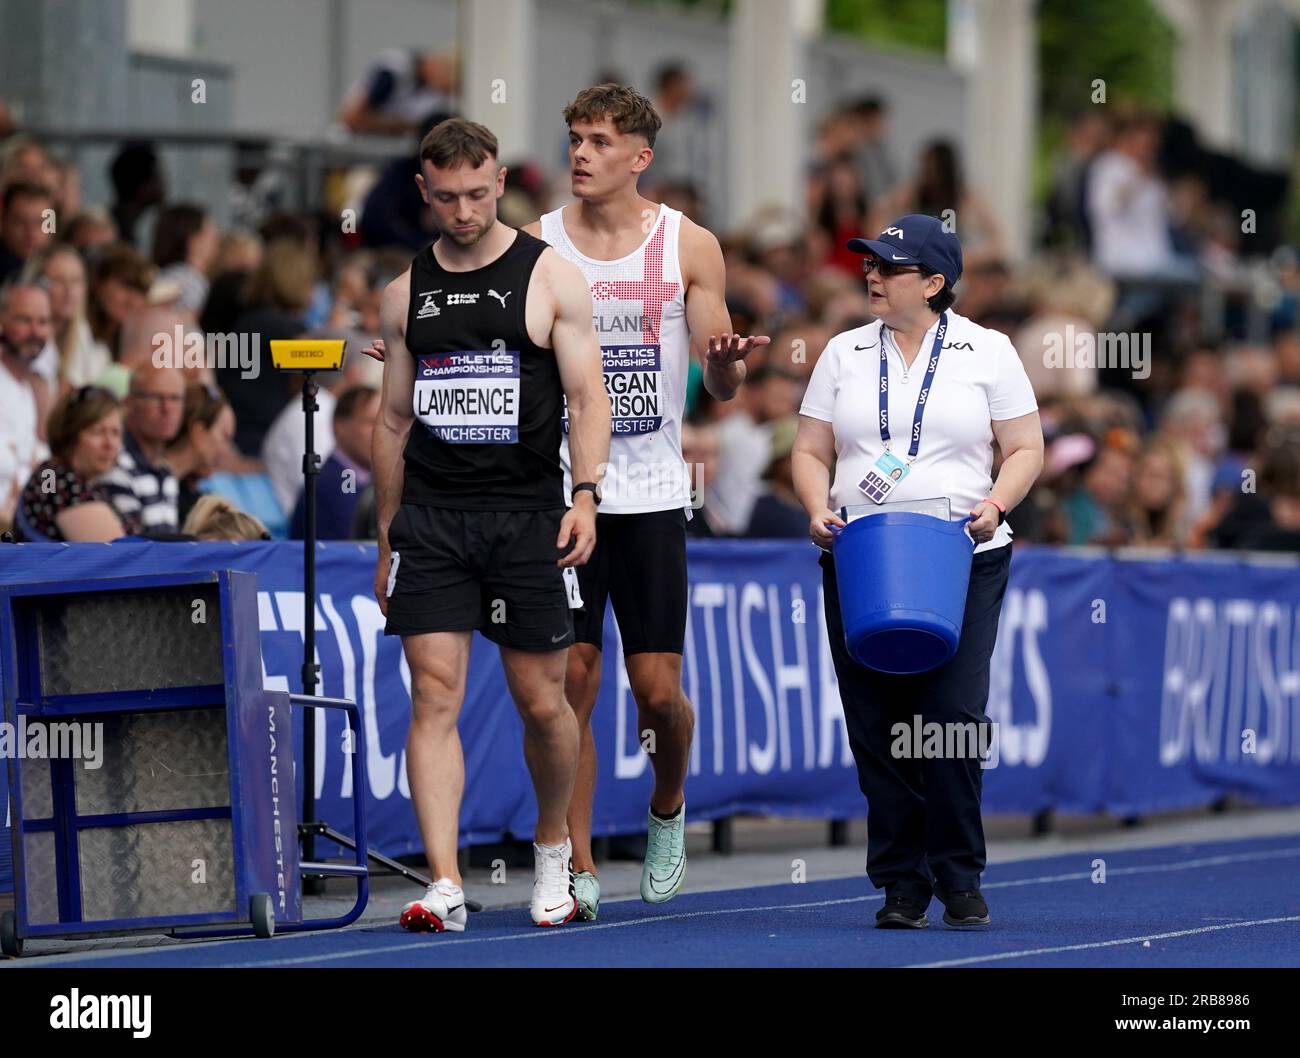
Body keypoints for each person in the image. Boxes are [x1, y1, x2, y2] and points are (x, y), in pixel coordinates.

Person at [363, 87, 766, 921]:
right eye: (574, 138)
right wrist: (425, 350)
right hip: (548, 499)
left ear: (640, 157)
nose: (581, 154)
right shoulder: (538, 246)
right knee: (570, 682)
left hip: (651, 490)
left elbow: (722, 387)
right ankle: (574, 864)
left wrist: (725, 363)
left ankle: (666, 803)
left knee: (656, 692)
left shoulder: (688, 245)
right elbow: (458, 357)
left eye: (599, 141)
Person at [372, 118, 609, 932]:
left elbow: (587, 399)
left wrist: (585, 496)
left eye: (478, 193)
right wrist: (386, 535)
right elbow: (394, 421)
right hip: (434, 521)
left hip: (526, 518)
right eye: (447, 197)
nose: (464, 210)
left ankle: (552, 854)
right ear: (424, 191)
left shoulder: (551, 278)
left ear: (500, 181)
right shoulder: (405, 290)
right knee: (433, 694)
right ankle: (445, 880)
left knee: (541, 699)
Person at [792, 214, 1043, 929]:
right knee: (876, 721)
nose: (872, 275)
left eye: (890, 268)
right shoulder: (842, 352)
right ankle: (901, 881)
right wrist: (816, 507)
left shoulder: (986, 351)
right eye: (870, 264)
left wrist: (996, 504)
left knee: (952, 716)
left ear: (934, 283)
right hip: (862, 555)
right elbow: (810, 451)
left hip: (961, 552)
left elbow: (1025, 446)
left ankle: (959, 872)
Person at [13, 385, 133, 543]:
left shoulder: (81, 481)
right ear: (70, 434)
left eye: (115, 433)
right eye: (97, 432)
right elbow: (120, 558)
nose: (109, 444)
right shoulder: (58, 480)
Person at [99, 364, 184, 534]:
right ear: (128, 404)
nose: (167, 408)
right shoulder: (115, 464)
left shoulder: (166, 471)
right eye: (155, 397)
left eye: (175, 398)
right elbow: (134, 552)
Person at [290, 384, 379, 539]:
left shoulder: (366, 479)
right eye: (371, 422)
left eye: (384, 423)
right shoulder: (331, 483)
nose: (380, 432)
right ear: (339, 426)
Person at [0, 282, 53, 526]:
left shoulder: (27, 390)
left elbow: (47, 473)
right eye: (24, 320)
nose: (35, 331)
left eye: (42, 322)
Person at [337, 49, 458, 136]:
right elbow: (352, 118)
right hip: (354, 139)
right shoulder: (395, 73)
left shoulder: (431, 91)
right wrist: (399, 126)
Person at [166, 382, 237, 527]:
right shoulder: (145, 484)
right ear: (198, 432)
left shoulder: (195, 499)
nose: (227, 450)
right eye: (225, 437)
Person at [151, 203, 219, 316]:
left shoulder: (187, 277)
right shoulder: (180, 278)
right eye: (209, 233)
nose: (216, 238)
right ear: (192, 240)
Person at [0, 181, 55, 285]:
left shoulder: (61, 266)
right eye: (20, 222)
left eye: (40, 223)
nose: (31, 232)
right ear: (3, 222)